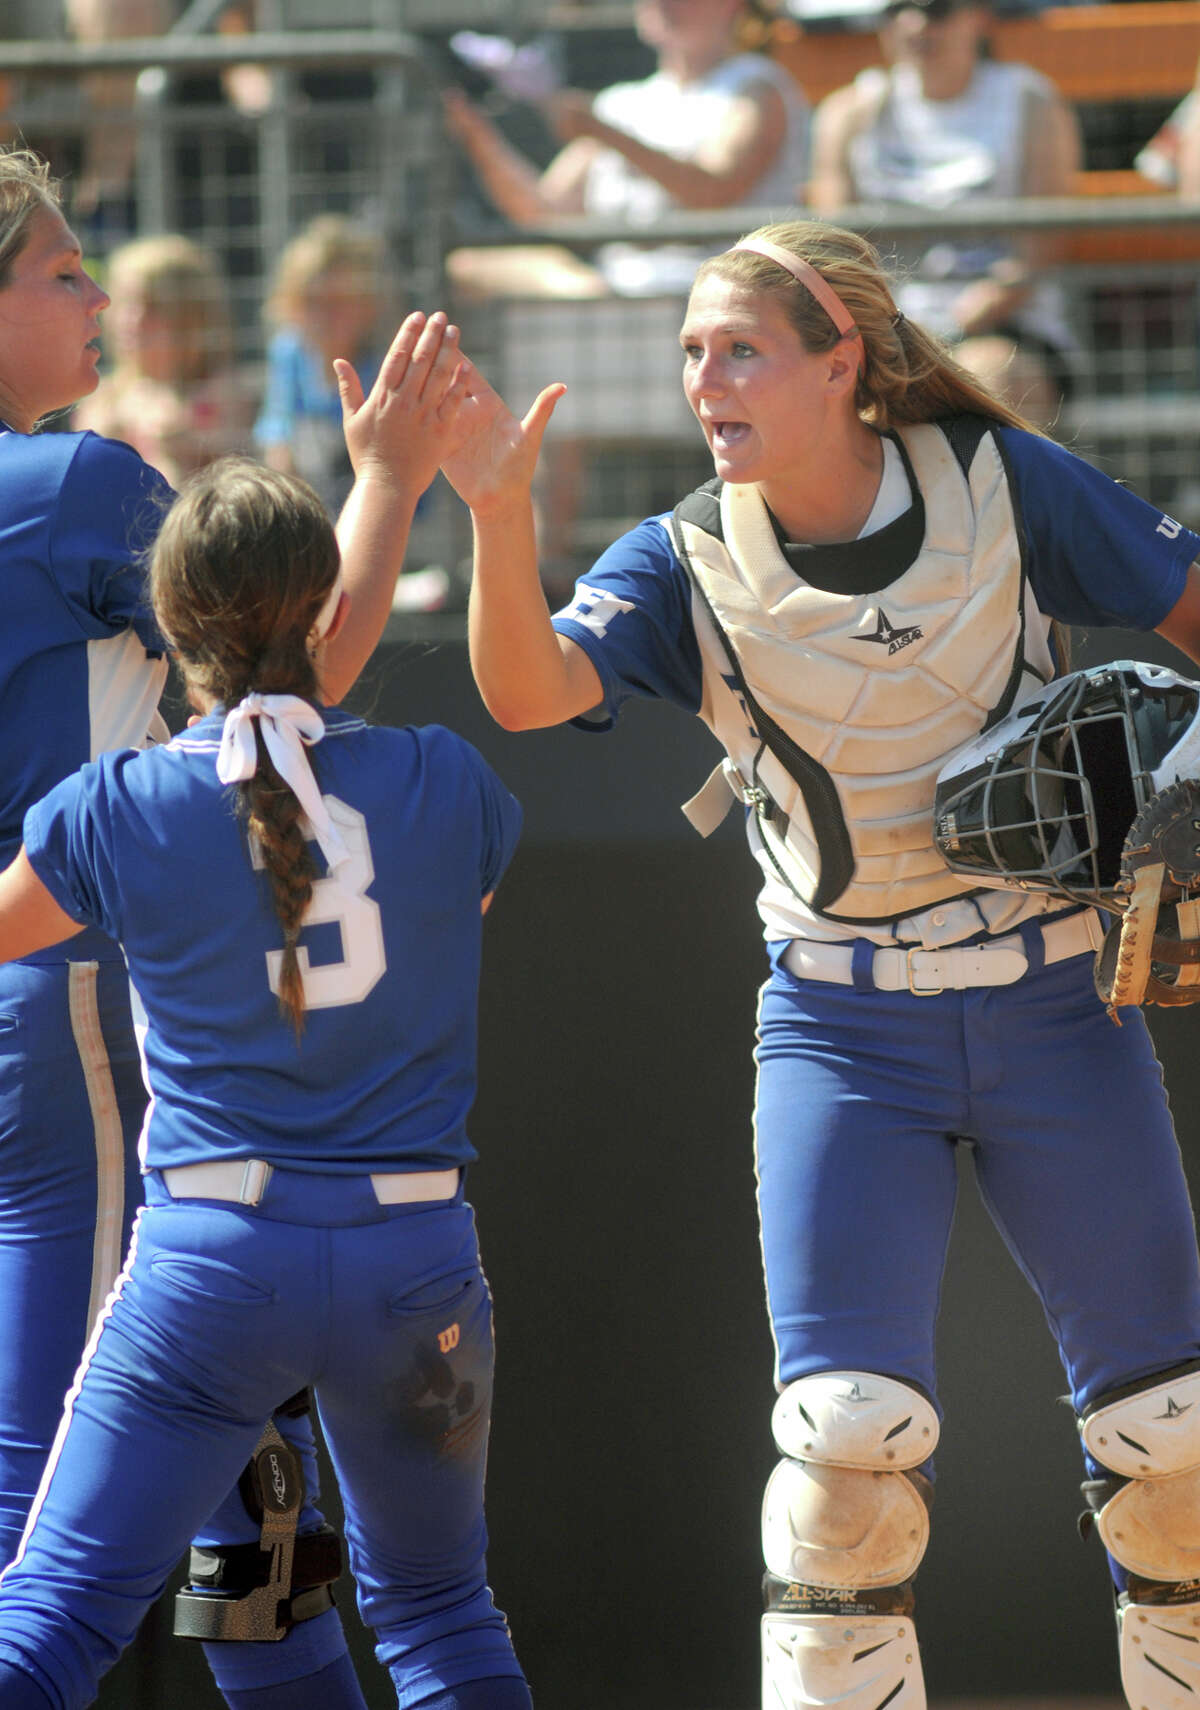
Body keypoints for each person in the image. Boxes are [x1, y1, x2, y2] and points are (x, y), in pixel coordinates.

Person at [439, 216, 1200, 1710]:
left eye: (740, 351)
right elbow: (525, 693)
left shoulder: (996, 478)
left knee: (1174, 1445)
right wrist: (499, 513)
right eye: (691, 354)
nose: (704, 380)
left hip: (1056, 998)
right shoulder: (685, 551)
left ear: (841, 362)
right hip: (845, 1030)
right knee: (843, 1452)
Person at [0, 141, 468, 1710]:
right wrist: (389, 479)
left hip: (55, 996)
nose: (95, 294)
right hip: (62, 1006)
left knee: (243, 1503)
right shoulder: (75, 484)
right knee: (44, 1515)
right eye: (62, 270)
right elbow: (294, 669)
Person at [441, 0, 810, 582]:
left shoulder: (759, 87)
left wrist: (601, 130)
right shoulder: (620, 102)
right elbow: (542, 210)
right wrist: (472, 129)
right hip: (610, 310)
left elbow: (713, 190)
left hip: (714, 311)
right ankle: (536, 564)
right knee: (482, 269)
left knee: (572, 304)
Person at [808, 0, 1082, 430]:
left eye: (936, 8)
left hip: (1005, 321)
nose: (914, 23)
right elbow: (835, 249)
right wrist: (892, 327)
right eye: (896, 8)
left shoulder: (1028, 101)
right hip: (884, 329)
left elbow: (1042, 246)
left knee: (989, 381)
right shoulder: (848, 113)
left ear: (979, 16)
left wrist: (958, 322)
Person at [72, 232, 253, 489]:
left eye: (153, 306)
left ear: (192, 317)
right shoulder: (105, 399)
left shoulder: (225, 394)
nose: (134, 320)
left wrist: (191, 447)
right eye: (125, 304)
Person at [255, 215, 401, 521]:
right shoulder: (289, 351)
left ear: (369, 304)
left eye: (340, 301)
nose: (326, 315)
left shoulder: (385, 364)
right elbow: (277, 434)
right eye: (313, 301)